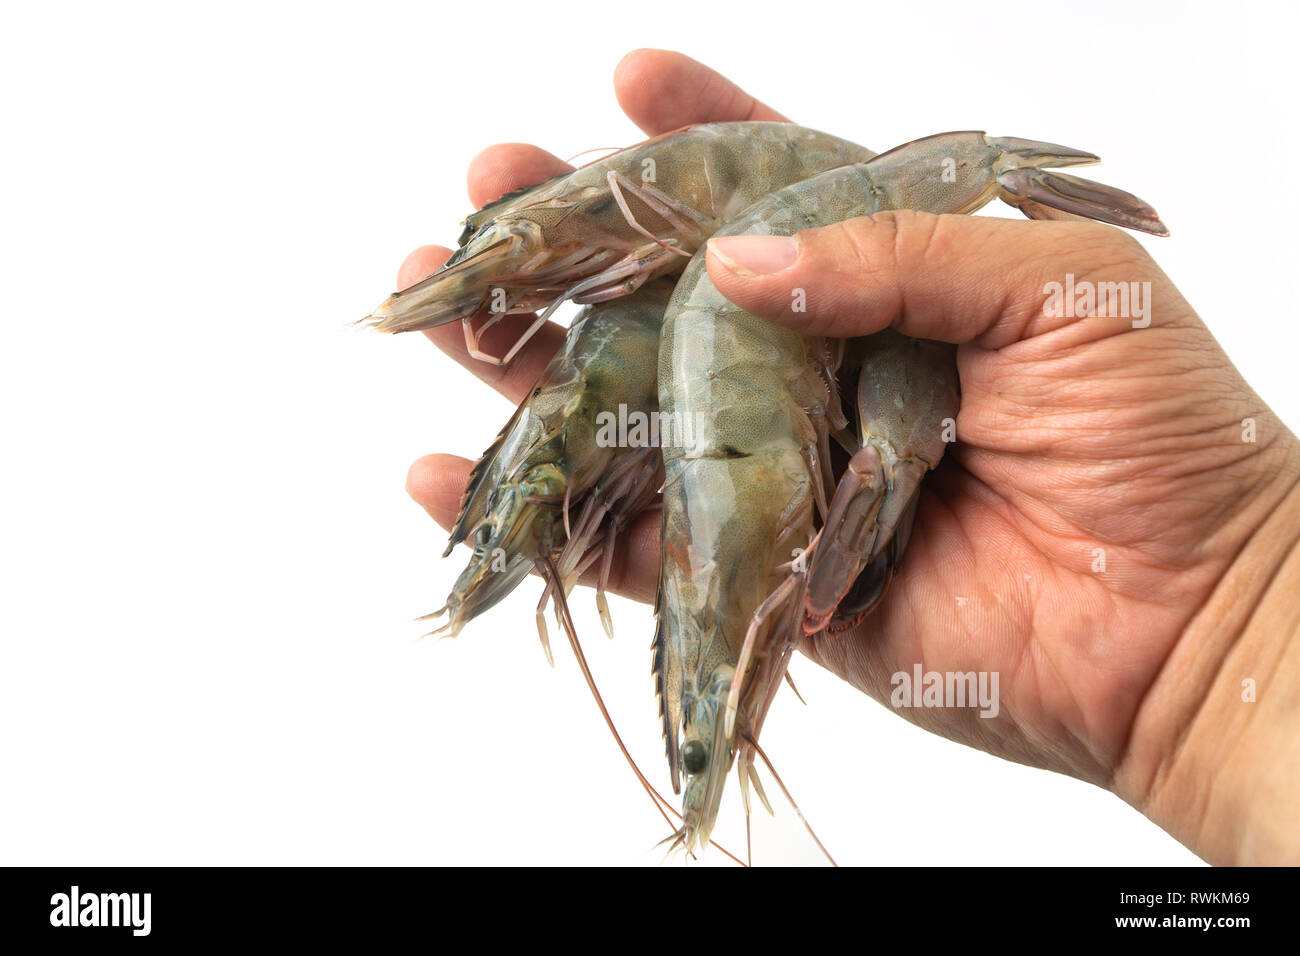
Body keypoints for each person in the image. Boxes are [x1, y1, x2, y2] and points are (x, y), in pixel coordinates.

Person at [399, 50, 1300, 865]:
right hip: (784, 335)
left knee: (712, 508)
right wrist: (1218, 654)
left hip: (816, 311)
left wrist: (1225, 618)